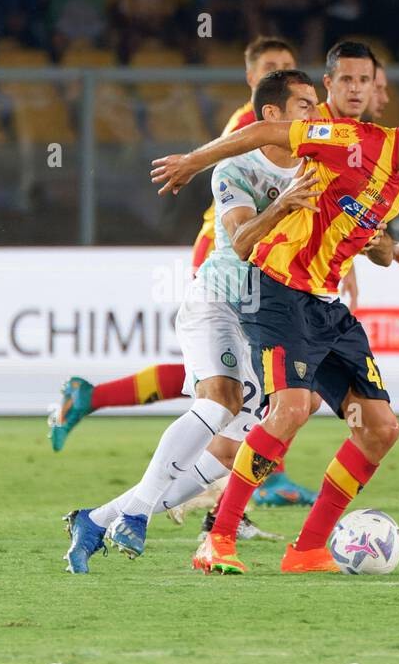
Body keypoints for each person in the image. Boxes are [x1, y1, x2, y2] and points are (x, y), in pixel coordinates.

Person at [151, 82, 399, 573]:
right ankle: (218, 540)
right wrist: (192, 160)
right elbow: (266, 130)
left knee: (380, 430)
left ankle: (307, 550)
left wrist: (392, 253)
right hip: (277, 289)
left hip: (326, 305)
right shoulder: (351, 139)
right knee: (291, 409)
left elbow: (366, 225)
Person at [62, 69, 321, 573]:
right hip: (220, 300)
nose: (317, 115)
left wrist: (390, 247)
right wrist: (285, 204)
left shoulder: (317, 164)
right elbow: (242, 238)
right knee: (220, 400)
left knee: (228, 453)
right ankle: (136, 516)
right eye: (307, 105)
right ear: (273, 115)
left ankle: (96, 519)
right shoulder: (235, 168)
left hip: (267, 316)